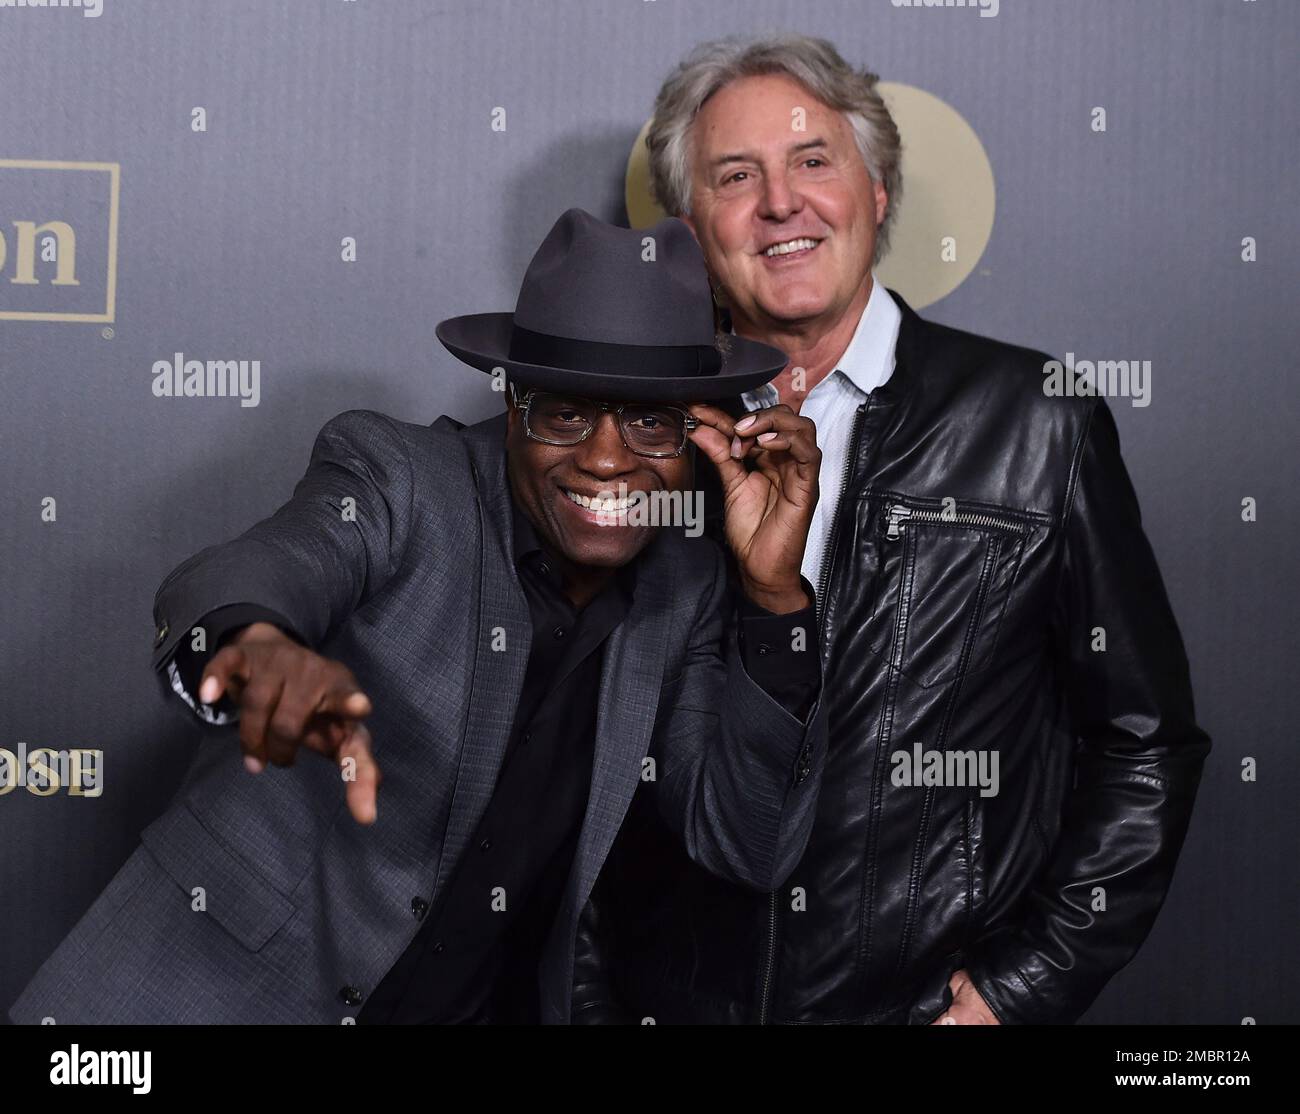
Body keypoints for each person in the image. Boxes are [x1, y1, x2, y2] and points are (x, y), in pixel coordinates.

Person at [8, 207, 827, 1025]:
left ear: (704, 436)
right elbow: (272, 562)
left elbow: (750, 844)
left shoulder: (685, 582)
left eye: (650, 421)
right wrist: (256, 643)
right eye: (564, 413)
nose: (606, 458)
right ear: (512, 405)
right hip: (199, 996)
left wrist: (775, 597)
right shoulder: (402, 479)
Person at [572, 34, 1211, 1026]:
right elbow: (565, 756)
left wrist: (1018, 988)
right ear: (692, 227)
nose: (779, 202)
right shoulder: (632, 445)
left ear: (876, 192)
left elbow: (1142, 742)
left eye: (812, 161)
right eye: (735, 176)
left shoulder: (1037, 423)